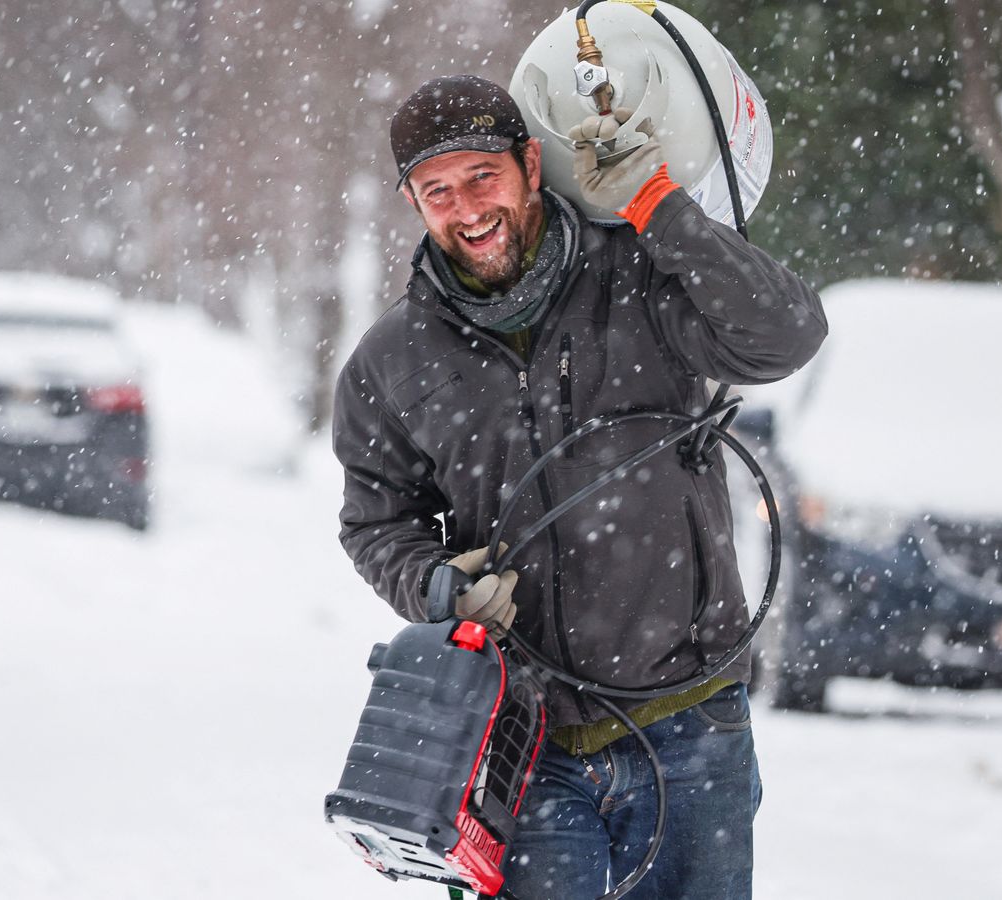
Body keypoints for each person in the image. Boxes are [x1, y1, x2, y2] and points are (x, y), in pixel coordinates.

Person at [332, 74, 826, 899]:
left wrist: (658, 204)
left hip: (689, 720)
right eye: (437, 192)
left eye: (482, 177)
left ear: (531, 162)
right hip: (523, 741)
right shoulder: (392, 361)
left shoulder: (639, 275)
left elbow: (786, 335)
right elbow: (377, 524)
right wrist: (437, 585)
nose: (466, 209)